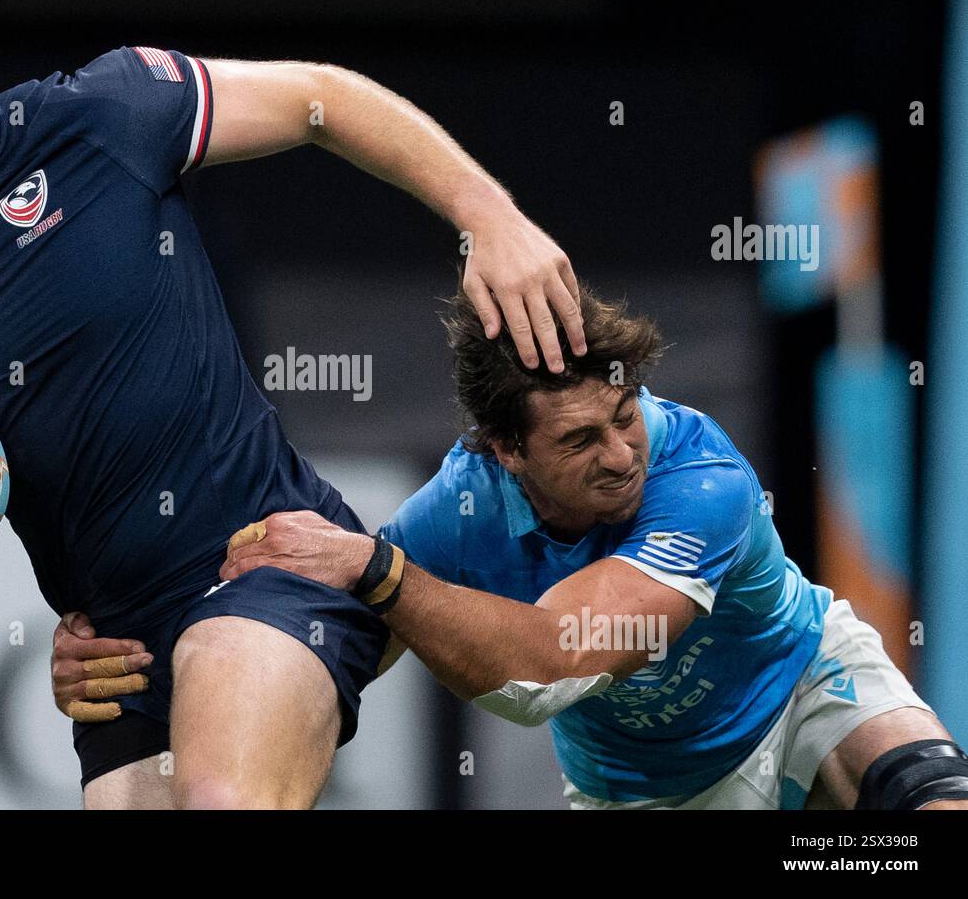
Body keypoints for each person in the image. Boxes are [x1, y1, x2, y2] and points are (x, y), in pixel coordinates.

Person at [0, 0, 581, 809]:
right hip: (116, 656)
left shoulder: (102, 116)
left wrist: (490, 219)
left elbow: (320, 99)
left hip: (265, 563)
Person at [60, 284, 968, 809]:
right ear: (504, 450)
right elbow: (307, 659)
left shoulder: (704, 480)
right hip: (640, 794)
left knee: (929, 798)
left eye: (625, 418)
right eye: (580, 442)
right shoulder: (453, 516)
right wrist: (126, 674)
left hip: (806, 691)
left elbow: (553, 666)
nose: (621, 458)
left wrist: (377, 572)